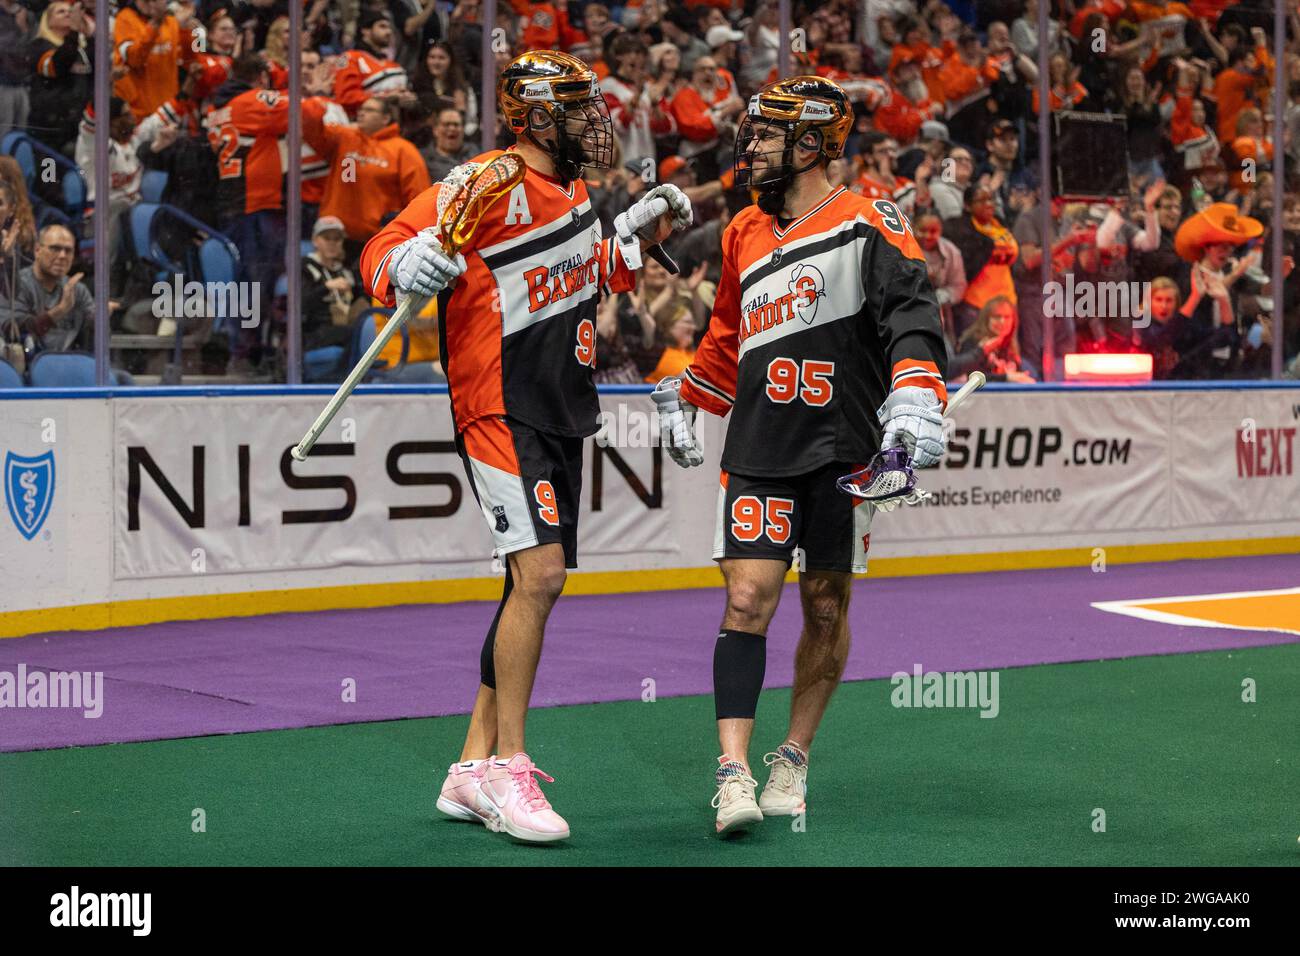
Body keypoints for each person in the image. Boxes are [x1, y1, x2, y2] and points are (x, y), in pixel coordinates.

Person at [359, 51, 692, 843]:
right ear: (536, 115)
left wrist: (627, 241)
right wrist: (409, 261)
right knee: (539, 576)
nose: (594, 122)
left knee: (529, 584)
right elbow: (379, 254)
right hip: (499, 404)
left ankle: (468, 770)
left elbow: (575, 279)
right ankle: (511, 769)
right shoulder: (484, 182)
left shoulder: (572, 188)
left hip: (560, 405)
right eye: (578, 109)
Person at [653, 76, 949, 837]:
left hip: (844, 448)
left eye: (767, 134)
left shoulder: (866, 219)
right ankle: (731, 770)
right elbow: (727, 338)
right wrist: (690, 393)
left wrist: (916, 390)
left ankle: (794, 756)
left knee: (825, 602)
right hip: (760, 444)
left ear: (814, 142)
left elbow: (911, 309)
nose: (750, 146)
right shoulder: (742, 232)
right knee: (747, 598)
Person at [951, 295, 1035, 382]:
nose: (1002, 321)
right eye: (997, 316)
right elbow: (970, 378)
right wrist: (1006, 378)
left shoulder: (1010, 343)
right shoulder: (973, 340)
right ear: (987, 319)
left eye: (1007, 317)